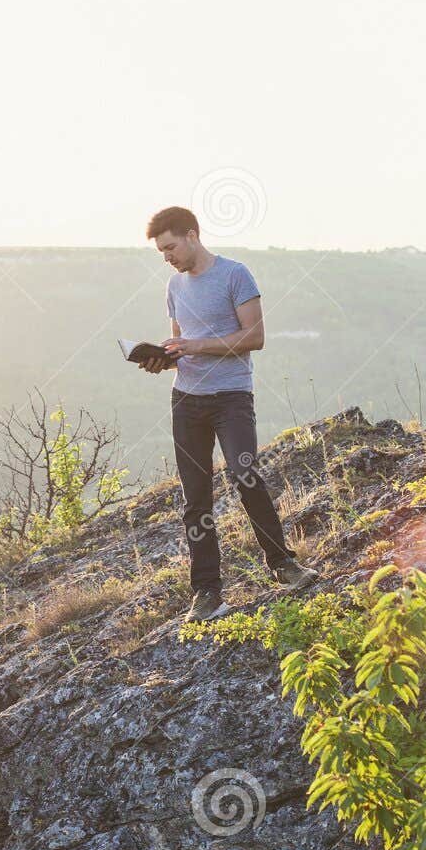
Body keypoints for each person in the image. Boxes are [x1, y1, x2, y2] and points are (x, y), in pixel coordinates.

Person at [142, 205, 318, 621]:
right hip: (186, 400)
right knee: (194, 498)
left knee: (246, 475)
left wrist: (194, 346)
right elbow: (178, 344)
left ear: (191, 235)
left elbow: (254, 337)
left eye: (170, 247)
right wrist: (162, 359)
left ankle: (283, 565)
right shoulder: (173, 285)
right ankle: (206, 593)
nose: (167, 257)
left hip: (231, 397)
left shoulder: (235, 275)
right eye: (161, 252)